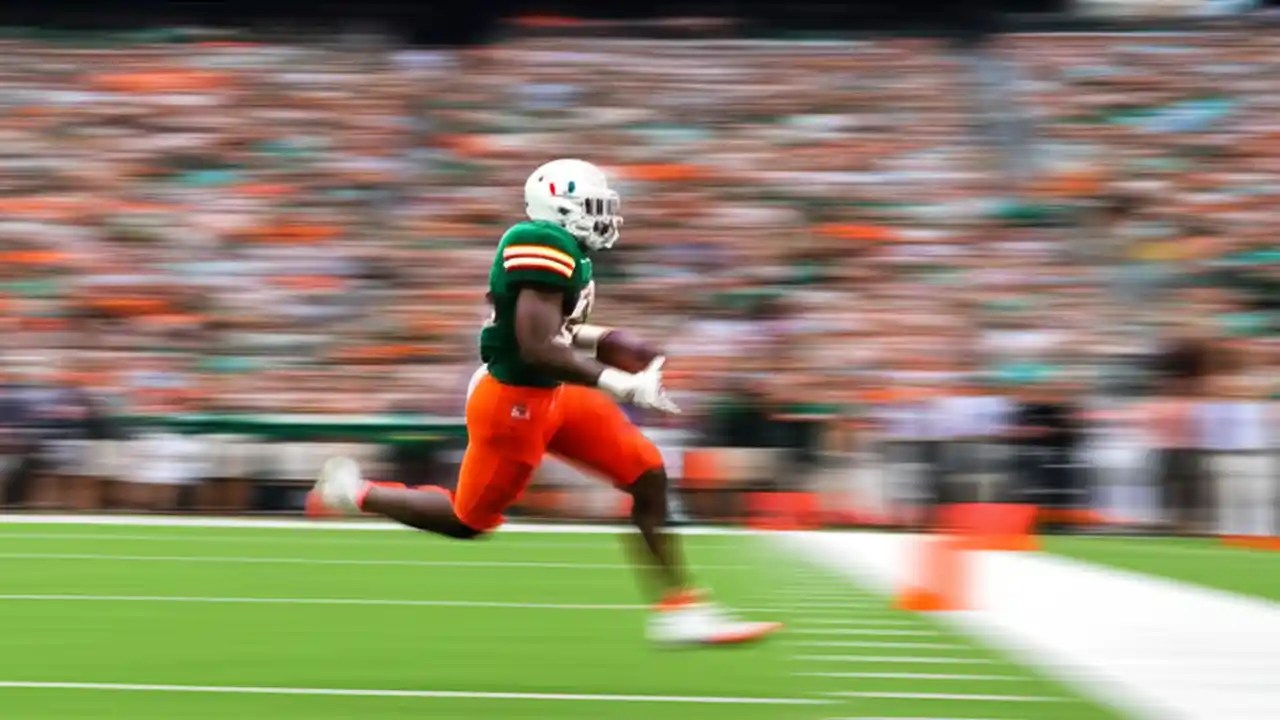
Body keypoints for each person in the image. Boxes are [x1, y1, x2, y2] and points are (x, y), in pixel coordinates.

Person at [308, 159, 780, 646]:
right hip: (513, 405)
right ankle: (355, 492)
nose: (604, 217)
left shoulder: (569, 252)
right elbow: (536, 346)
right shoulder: (539, 242)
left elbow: (557, 331)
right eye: (593, 206)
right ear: (560, 208)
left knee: (647, 472)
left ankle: (679, 609)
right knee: (468, 520)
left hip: (553, 394)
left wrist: (612, 341)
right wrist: (621, 383)